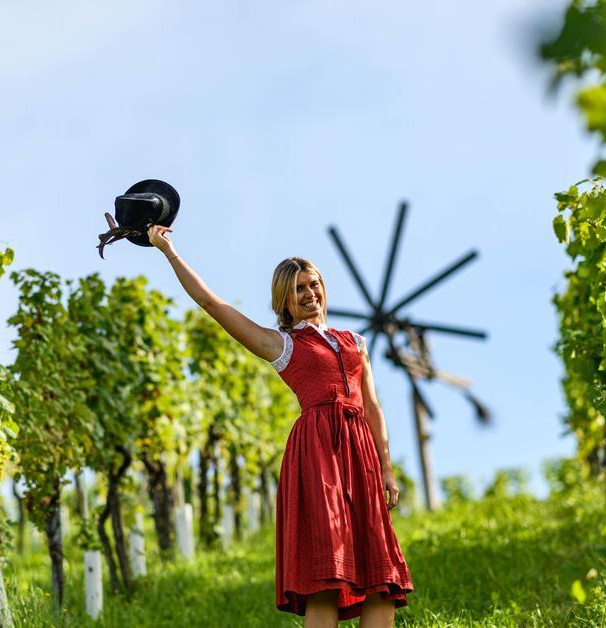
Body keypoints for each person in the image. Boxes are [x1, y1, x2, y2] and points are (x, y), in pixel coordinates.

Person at [148, 224, 414, 627]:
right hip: (318, 458)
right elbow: (210, 303)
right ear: (285, 301)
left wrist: (386, 467)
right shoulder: (282, 345)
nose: (310, 295)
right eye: (299, 290)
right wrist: (169, 252)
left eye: (313, 285)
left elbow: (373, 407)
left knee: (381, 580)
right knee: (326, 578)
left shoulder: (355, 342)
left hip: (360, 454)